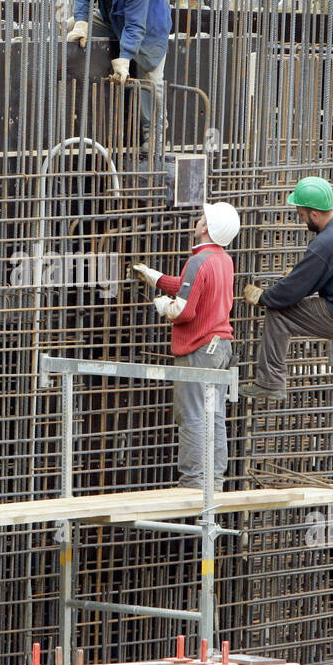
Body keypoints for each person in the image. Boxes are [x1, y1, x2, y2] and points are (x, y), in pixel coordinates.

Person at [239, 176, 333, 485]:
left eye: (301, 212)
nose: (300, 217)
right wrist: (303, 275)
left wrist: (264, 296)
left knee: (279, 312)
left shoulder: (323, 243)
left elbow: (291, 293)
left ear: (314, 214)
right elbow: (330, 272)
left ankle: (271, 381)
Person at [132, 202, 240, 490]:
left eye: (201, 218)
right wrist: (155, 278)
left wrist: (161, 305)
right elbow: (191, 287)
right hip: (220, 348)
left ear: (205, 228)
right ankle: (214, 482)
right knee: (214, 414)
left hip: (198, 349)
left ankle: (193, 483)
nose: (197, 220)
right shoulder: (223, 260)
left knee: (191, 414)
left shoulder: (198, 261)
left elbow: (184, 310)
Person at [66, 0, 172, 154]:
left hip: (149, 30)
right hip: (114, 20)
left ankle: (155, 133)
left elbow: (134, 27)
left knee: (150, 80)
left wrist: (124, 59)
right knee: (71, 25)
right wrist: (81, 23)